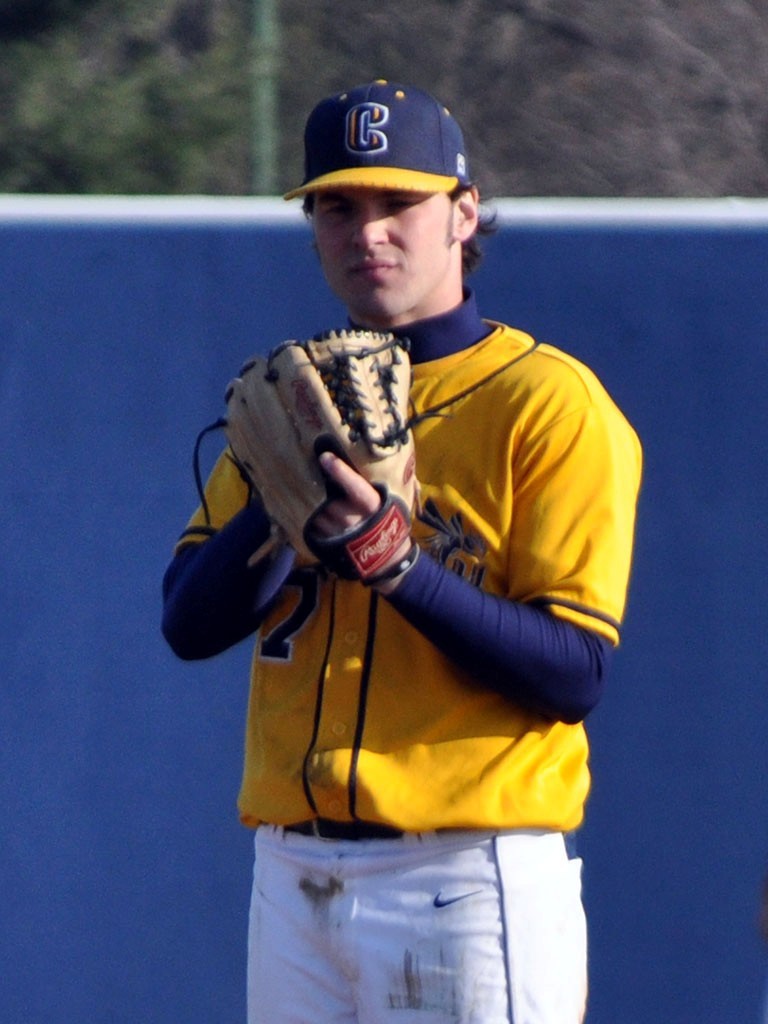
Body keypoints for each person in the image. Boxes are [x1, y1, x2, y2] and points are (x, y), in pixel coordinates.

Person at [162, 79, 642, 1024]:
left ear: (463, 214)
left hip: (461, 878)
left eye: (398, 203)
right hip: (292, 874)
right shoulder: (285, 401)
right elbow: (187, 622)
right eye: (338, 205)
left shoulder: (548, 403)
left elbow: (575, 671)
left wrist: (398, 562)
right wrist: (276, 507)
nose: (367, 231)